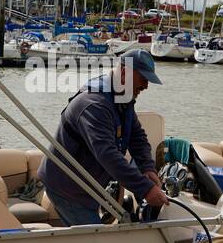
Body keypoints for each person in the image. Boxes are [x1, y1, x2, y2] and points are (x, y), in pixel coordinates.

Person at [38, 50, 170, 226]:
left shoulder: (122, 96)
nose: (146, 86)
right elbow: (107, 155)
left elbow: (137, 136)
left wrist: (147, 167)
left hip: (89, 186)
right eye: (143, 78)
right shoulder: (94, 104)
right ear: (124, 72)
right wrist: (146, 189)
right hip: (68, 187)